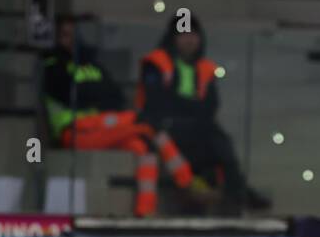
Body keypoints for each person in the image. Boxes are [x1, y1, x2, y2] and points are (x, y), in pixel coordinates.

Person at [42, 16, 204, 217]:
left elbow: (114, 95)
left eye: (74, 34)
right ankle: (186, 181)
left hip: (102, 127)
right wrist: (95, 93)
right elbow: (72, 94)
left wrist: (93, 93)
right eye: (65, 35)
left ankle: (145, 211)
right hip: (74, 131)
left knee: (142, 146)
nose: (71, 40)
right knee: (145, 124)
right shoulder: (51, 65)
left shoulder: (92, 64)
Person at [136, 11, 271, 214]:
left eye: (193, 34)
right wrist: (191, 106)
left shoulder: (205, 68)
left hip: (198, 128)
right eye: (183, 34)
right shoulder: (157, 63)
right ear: (173, 38)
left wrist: (187, 106)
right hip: (164, 126)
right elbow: (158, 101)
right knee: (210, 139)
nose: (189, 40)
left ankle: (234, 192)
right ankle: (236, 191)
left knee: (219, 142)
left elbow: (211, 105)